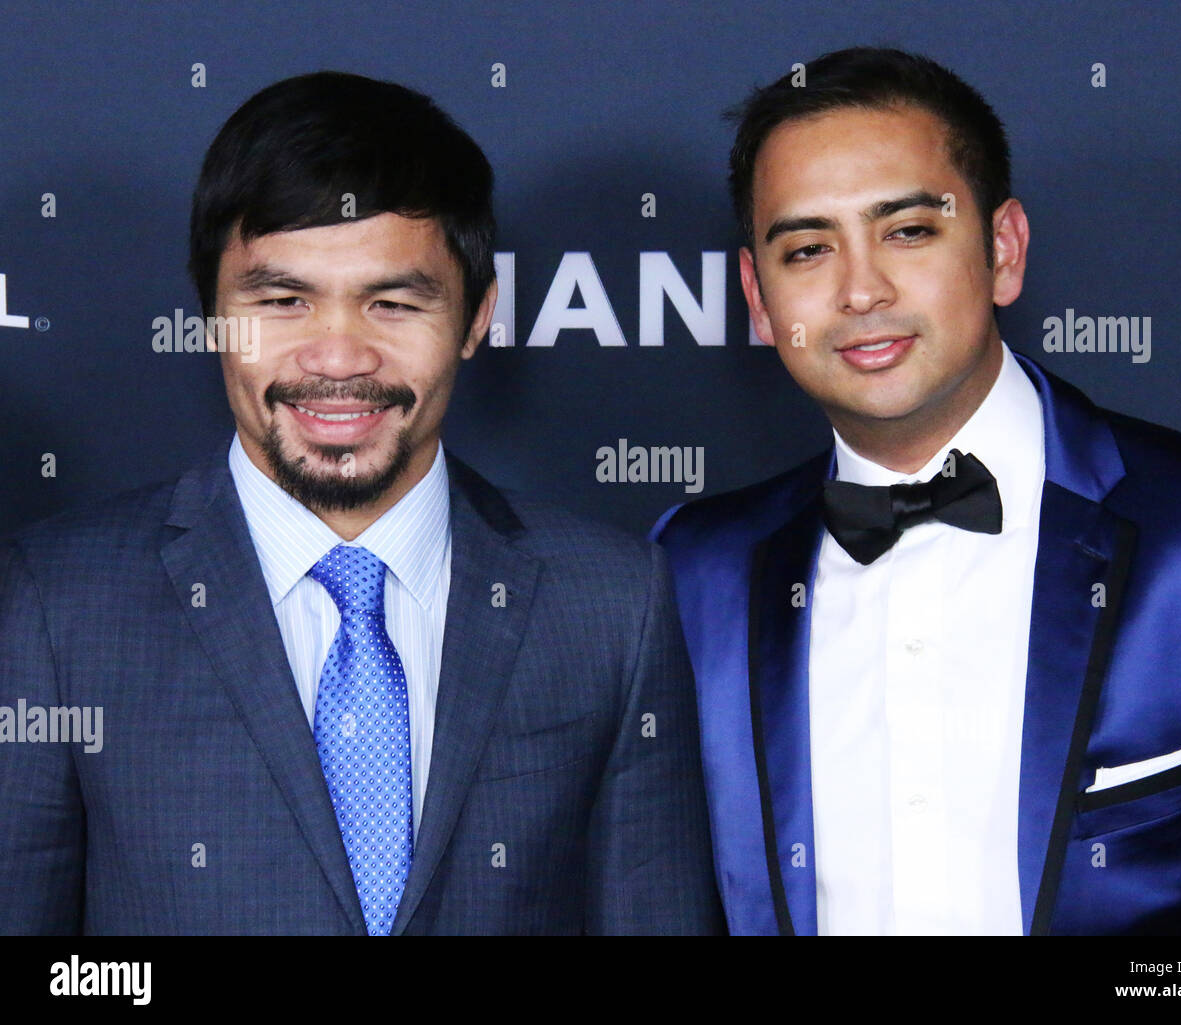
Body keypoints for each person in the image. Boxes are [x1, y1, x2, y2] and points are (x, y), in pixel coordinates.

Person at [0, 71, 722, 935]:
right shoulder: (57, 601)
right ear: (209, 316)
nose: (338, 356)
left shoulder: (612, 602)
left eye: (392, 301)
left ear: (475, 317)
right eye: (282, 300)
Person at [652, 47, 1181, 935]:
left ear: (1002, 250)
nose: (861, 290)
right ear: (759, 302)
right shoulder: (692, 573)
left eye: (909, 231)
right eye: (808, 249)